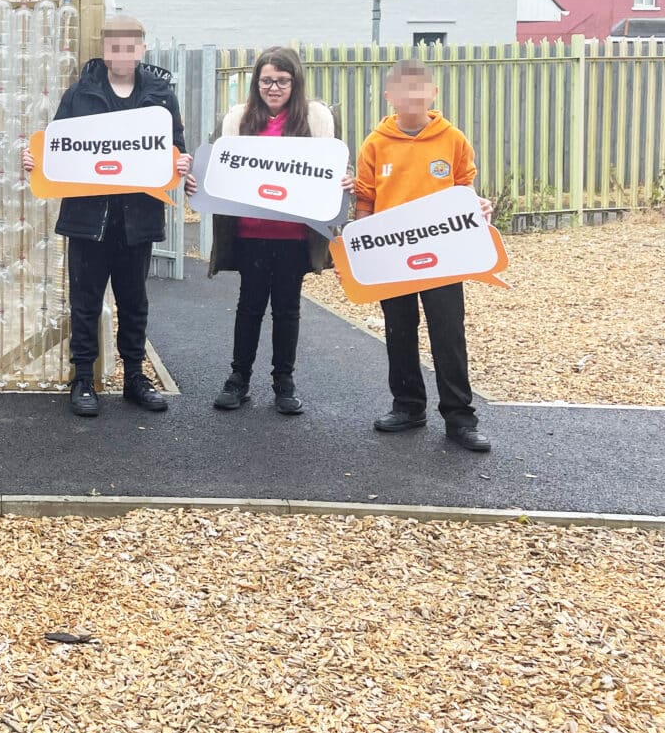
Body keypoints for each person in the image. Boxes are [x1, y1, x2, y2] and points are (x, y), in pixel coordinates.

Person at [22, 14, 189, 418]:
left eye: (130, 47)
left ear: (141, 49)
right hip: (88, 218)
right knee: (85, 301)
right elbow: (57, 147)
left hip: (138, 218)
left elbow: (176, 145)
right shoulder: (80, 94)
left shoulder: (161, 95)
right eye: (115, 48)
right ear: (104, 50)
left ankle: (135, 377)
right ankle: (83, 378)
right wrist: (35, 161)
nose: (122, 55)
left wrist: (181, 162)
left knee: (135, 302)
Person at [187, 47, 353, 415]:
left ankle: (284, 382)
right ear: (256, 83)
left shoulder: (314, 120)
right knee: (249, 307)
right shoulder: (239, 120)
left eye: (281, 80)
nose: (273, 87)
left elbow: (331, 169)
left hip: (294, 235)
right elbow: (215, 168)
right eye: (266, 80)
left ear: (294, 82)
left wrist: (344, 181)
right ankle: (238, 380)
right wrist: (195, 184)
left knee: (287, 311)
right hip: (250, 232)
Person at [355, 59, 494, 453]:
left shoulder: (452, 139)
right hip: (392, 259)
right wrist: (361, 253)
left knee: (448, 335)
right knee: (399, 333)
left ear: (433, 93)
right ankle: (408, 406)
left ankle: (460, 418)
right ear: (390, 96)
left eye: (420, 89)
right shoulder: (375, 143)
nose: (412, 96)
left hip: (444, 256)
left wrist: (479, 209)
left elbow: (464, 190)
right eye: (404, 90)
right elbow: (365, 200)